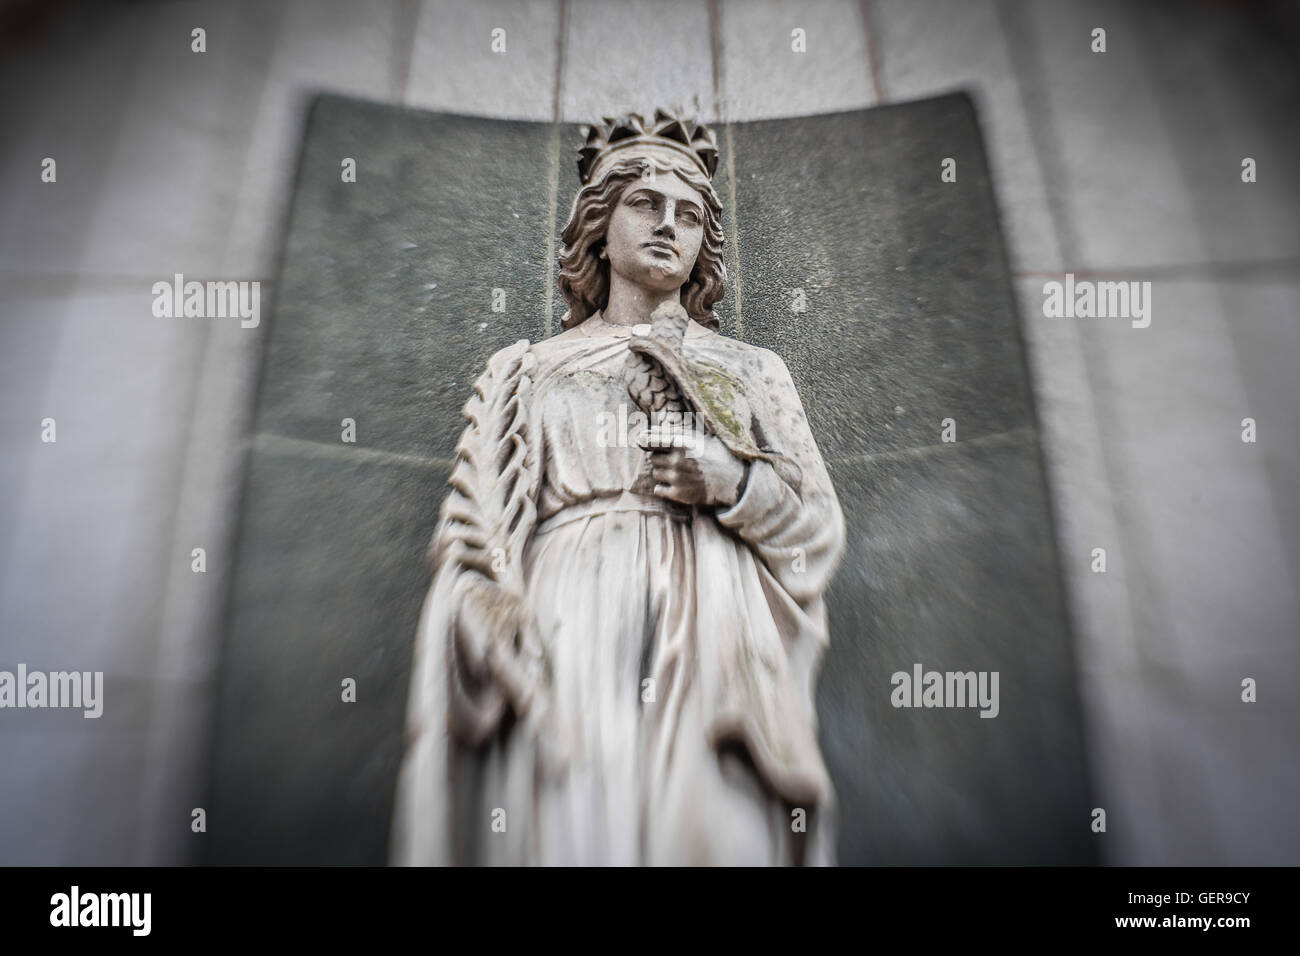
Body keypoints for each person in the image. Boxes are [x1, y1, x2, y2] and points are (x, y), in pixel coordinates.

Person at [391, 110, 845, 865]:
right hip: (570, 614)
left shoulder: (753, 369)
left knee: (712, 831)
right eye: (645, 202)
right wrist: (498, 624)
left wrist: (733, 484)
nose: (669, 224)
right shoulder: (526, 371)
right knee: (573, 828)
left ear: (706, 242)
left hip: (714, 627)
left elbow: (817, 529)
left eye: (691, 214)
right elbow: (473, 539)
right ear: (599, 224)